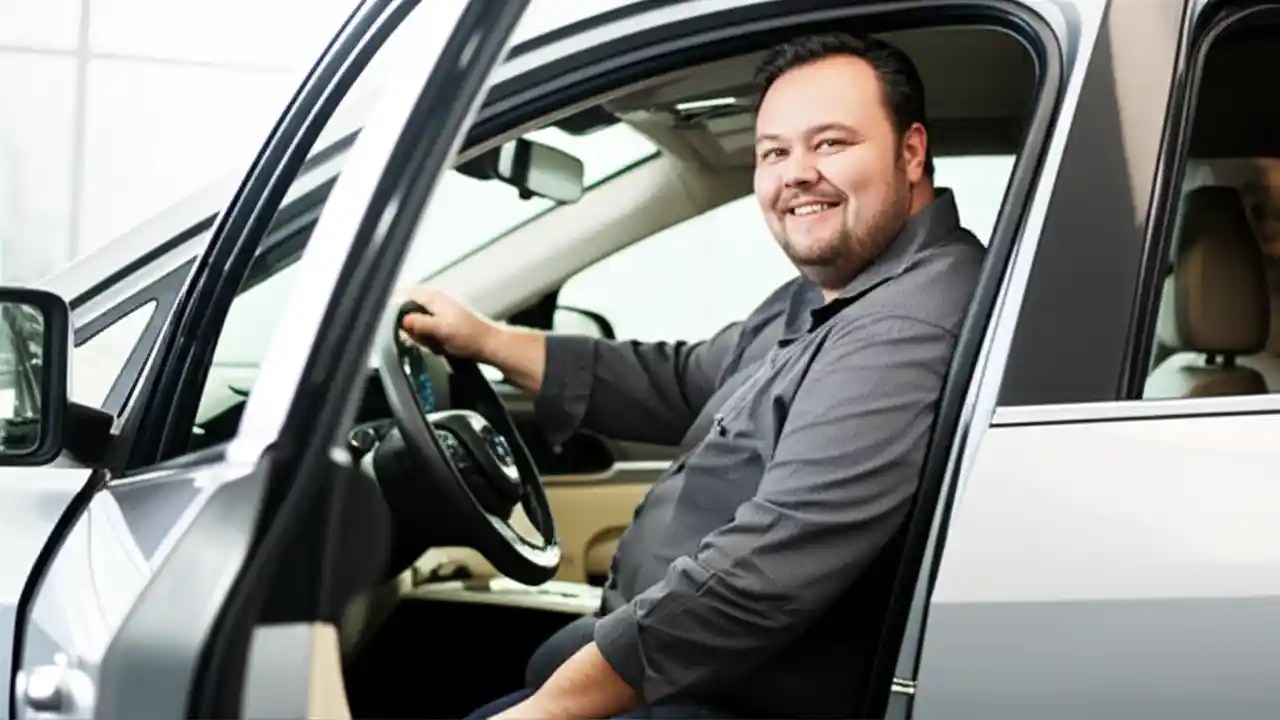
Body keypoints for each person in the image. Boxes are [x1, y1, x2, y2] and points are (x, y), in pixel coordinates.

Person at [402, 32, 985, 719]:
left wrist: (547, 713)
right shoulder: (836, 294)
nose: (796, 172)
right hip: (689, 667)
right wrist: (488, 340)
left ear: (910, 151)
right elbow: (682, 381)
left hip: (738, 693)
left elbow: (766, 570)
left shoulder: (907, 324)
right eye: (775, 151)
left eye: (830, 143)